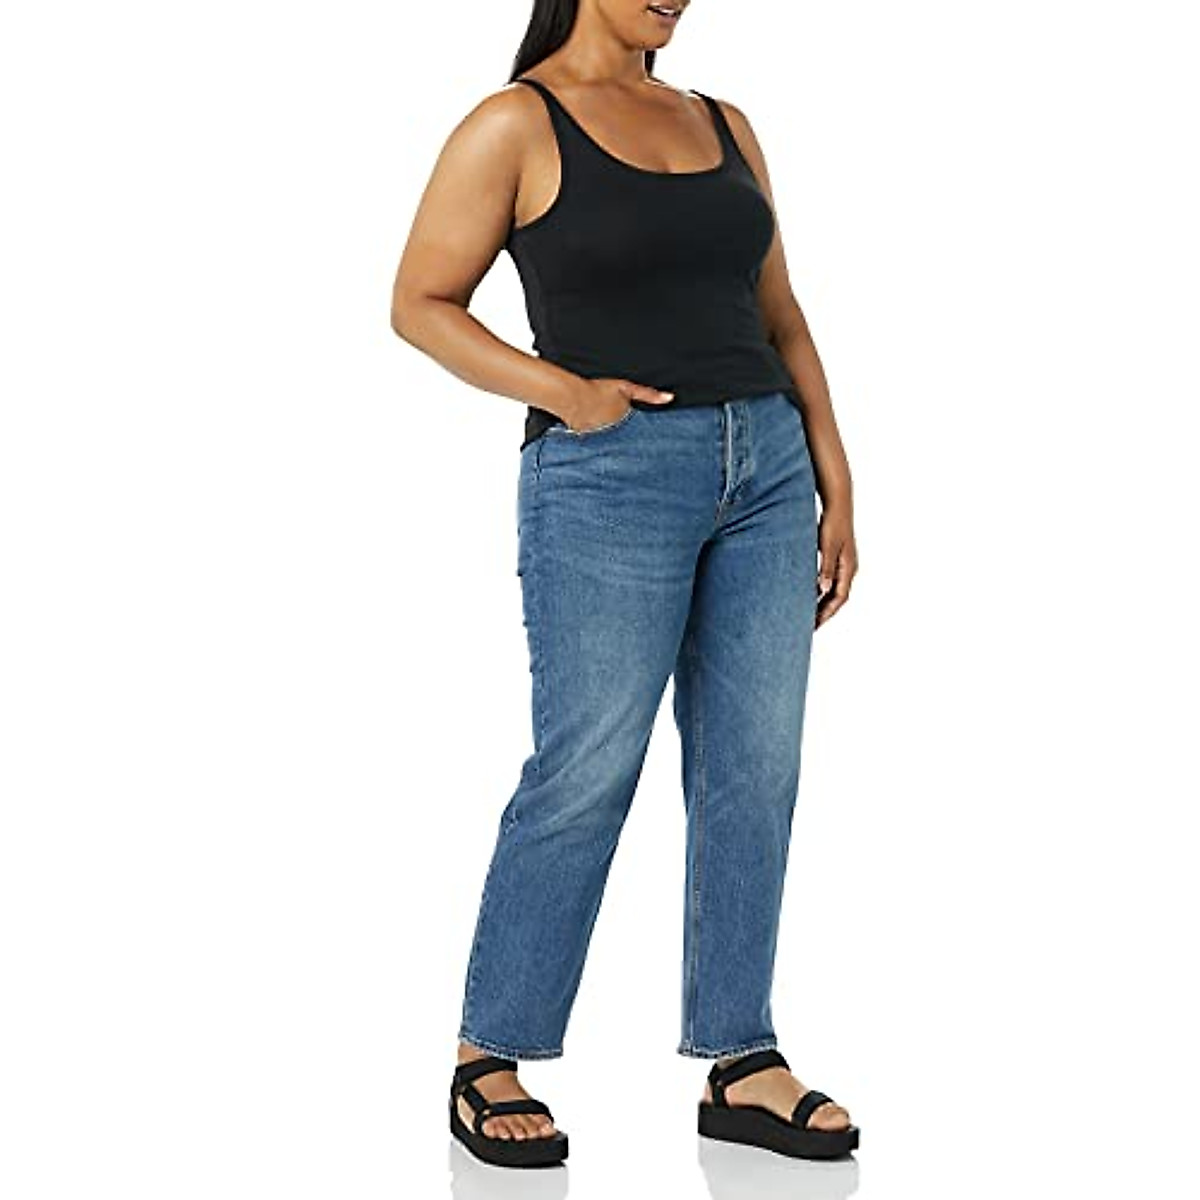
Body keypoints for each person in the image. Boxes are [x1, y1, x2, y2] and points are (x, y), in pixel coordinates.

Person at [390, 0, 859, 1170]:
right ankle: (490, 1052)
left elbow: (780, 313)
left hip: (766, 468)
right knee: (588, 763)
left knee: (756, 763)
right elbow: (420, 303)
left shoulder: (724, 123)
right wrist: (566, 392)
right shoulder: (516, 123)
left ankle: (742, 1057)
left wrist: (835, 474)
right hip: (610, 478)